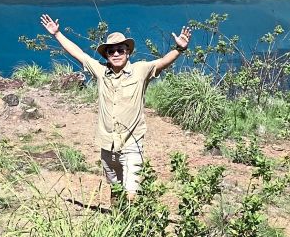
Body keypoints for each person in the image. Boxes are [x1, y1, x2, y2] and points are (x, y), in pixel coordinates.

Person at [39, 13, 191, 201]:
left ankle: (131, 224)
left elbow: (161, 63)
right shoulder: (101, 72)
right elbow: (79, 54)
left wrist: (179, 49)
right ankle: (116, 221)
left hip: (132, 142)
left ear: (128, 52)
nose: (116, 54)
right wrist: (57, 34)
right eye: (111, 51)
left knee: (130, 193)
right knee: (116, 189)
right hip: (107, 143)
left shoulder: (140, 71)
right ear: (107, 55)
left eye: (120, 50)